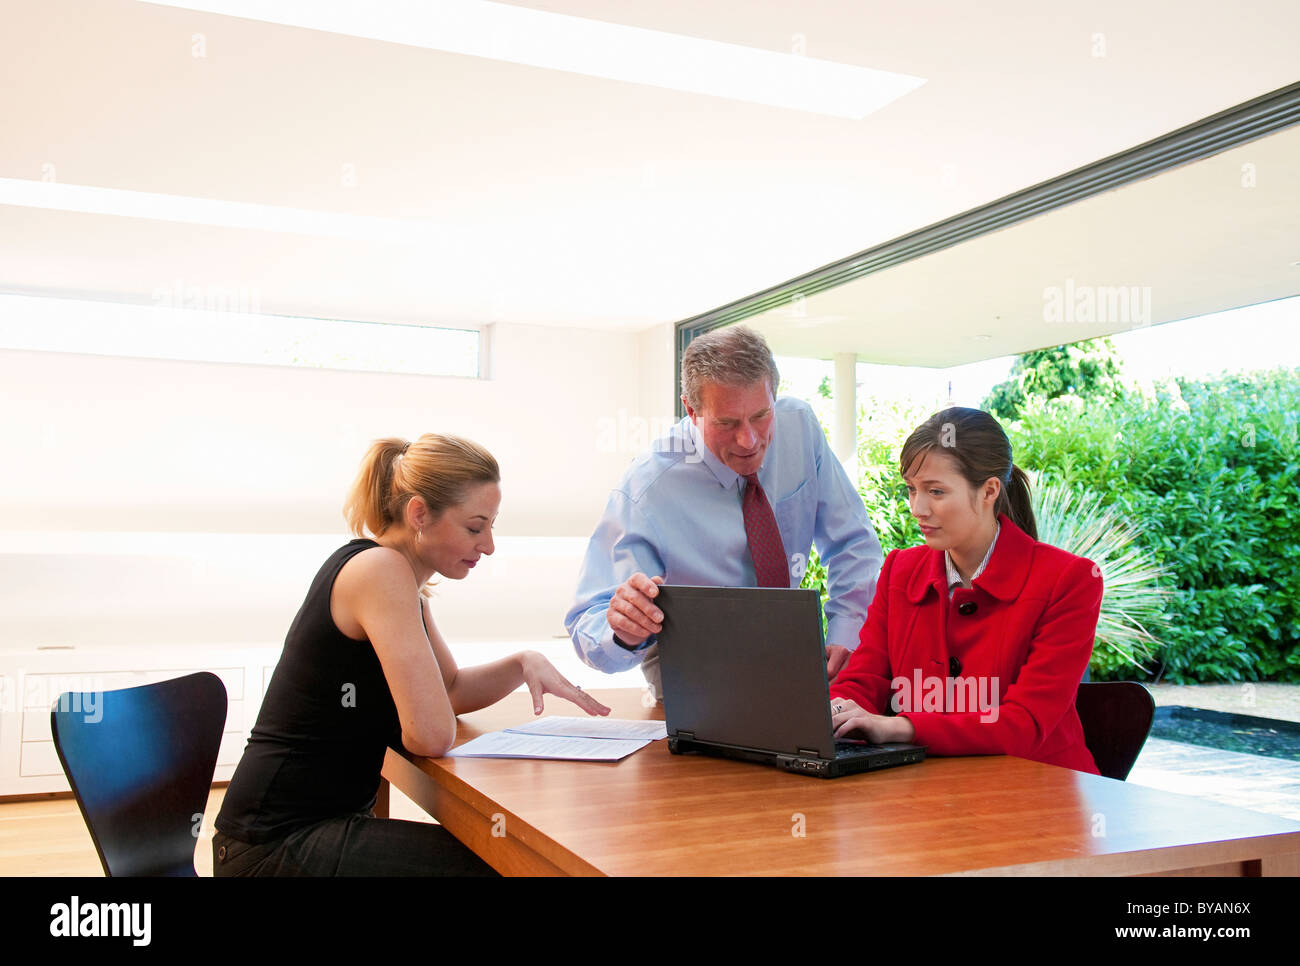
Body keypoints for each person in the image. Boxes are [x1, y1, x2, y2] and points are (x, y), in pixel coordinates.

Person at [213, 434, 610, 876]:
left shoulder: (404, 586)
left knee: (505, 858)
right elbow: (430, 735)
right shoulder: (379, 571)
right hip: (272, 845)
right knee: (508, 864)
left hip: (309, 829)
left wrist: (522, 663)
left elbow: (451, 690)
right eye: (475, 527)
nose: (489, 545)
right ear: (419, 513)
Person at [565, 325, 883, 699]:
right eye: (726, 423)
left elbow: (852, 543)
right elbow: (587, 625)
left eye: (761, 415)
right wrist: (622, 630)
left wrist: (846, 630)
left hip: (794, 654)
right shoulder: (647, 489)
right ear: (691, 410)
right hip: (696, 674)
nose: (748, 440)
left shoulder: (800, 427)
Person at [828, 407, 1101, 774]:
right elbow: (866, 678)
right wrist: (832, 712)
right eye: (911, 489)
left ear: (989, 491)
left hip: (1041, 798)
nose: (917, 508)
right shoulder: (900, 569)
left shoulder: (1070, 580)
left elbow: (1023, 724)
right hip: (927, 797)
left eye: (935, 491)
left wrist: (901, 726)